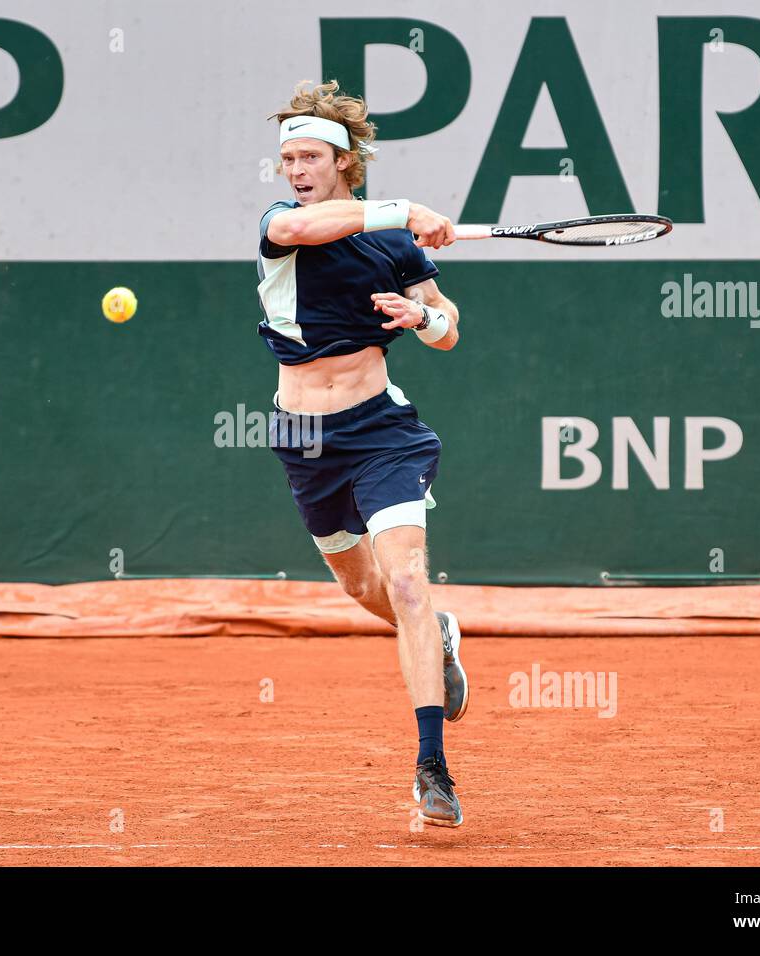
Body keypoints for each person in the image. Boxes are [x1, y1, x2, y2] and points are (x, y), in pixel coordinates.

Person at [256, 80, 468, 827]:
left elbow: (449, 328)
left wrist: (422, 317)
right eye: (287, 158)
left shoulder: (393, 245)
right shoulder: (281, 223)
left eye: (309, 155)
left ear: (344, 160)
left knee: (407, 580)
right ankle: (440, 636)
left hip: (381, 431)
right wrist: (406, 211)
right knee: (361, 589)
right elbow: (308, 232)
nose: (295, 169)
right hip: (304, 439)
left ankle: (432, 769)